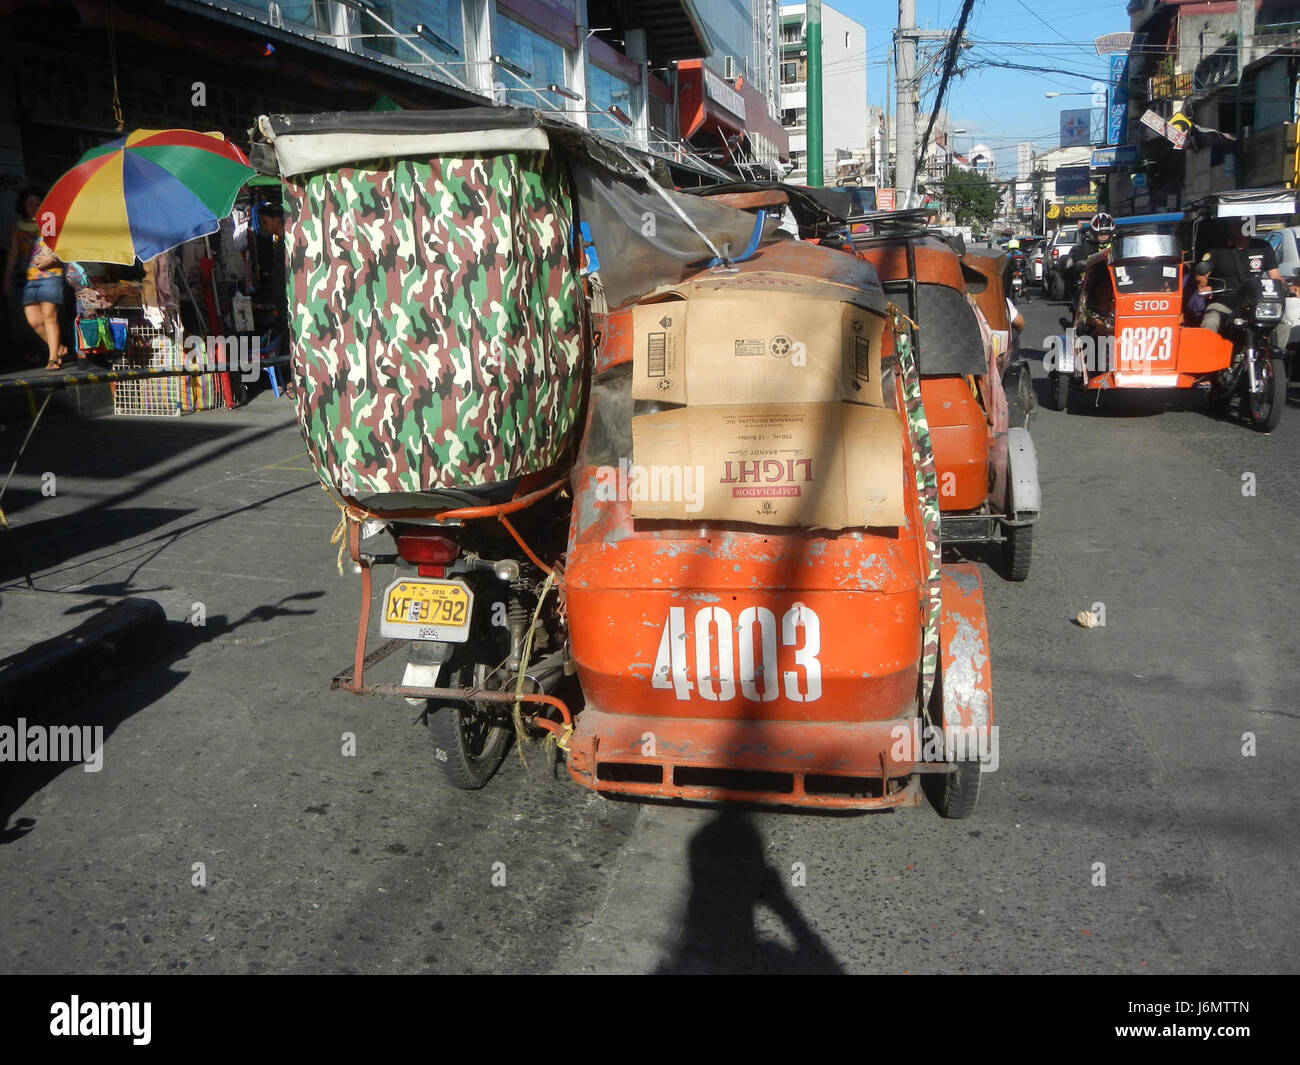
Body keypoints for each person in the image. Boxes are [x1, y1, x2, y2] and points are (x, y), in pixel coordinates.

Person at [1194, 218, 1296, 336]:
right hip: (1224, 301)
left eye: (1248, 223)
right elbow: (1202, 275)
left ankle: (1276, 354)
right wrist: (1204, 286)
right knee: (1210, 322)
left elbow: (1275, 276)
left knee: (1283, 322)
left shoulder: (1263, 247)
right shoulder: (1216, 249)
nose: (1244, 227)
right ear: (1230, 226)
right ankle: (1208, 354)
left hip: (1256, 303)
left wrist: (1287, 287)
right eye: (1238, 224)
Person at [3, 186, 68, 370]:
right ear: (23, 205)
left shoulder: (49, 222)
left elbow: (61, 245)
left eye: (37, 204)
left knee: (49, 317)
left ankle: (53, 358)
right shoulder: (17, 226)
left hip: (51, 274)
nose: (33, 207)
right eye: (30, 204)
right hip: (29, 278)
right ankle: (58, 347)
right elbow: (13, 254)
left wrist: (51, 258)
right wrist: (6, 278)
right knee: (34, 320)